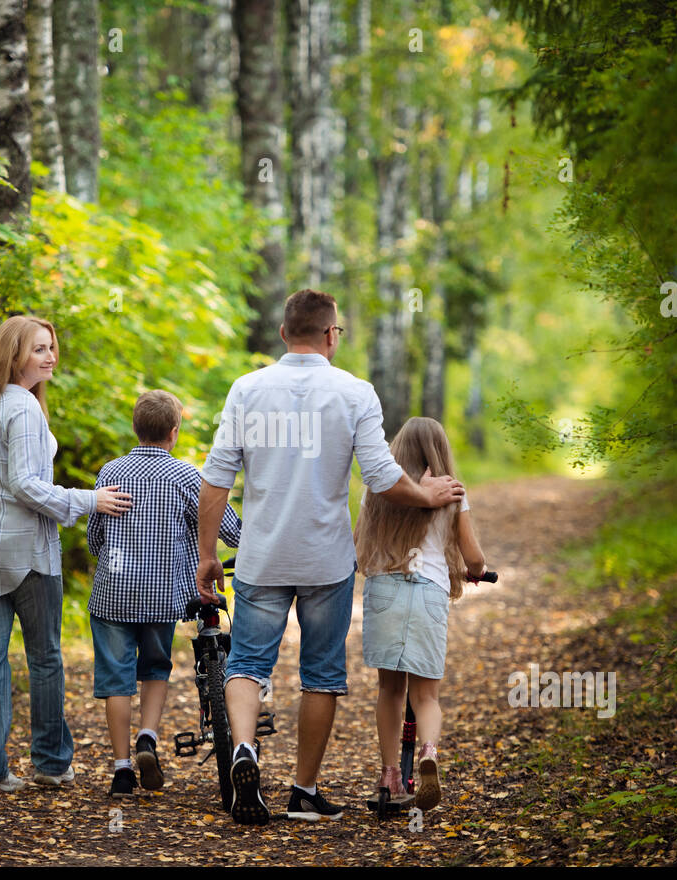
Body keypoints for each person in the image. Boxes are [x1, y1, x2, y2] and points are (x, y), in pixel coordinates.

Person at [197, 289, 465, 824]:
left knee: (248, 664)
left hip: (261, 558)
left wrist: (207, 554)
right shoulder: (354, 392)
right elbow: (383, 479)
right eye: (337, 332)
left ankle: (246, 749)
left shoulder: (246, 390)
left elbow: (216, 480)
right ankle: (304, 791)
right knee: (320, 674)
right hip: (325, 560)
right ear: (329, 334)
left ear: (282, 333)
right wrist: (428, 495)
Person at [0, 314, 133, 793]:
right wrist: (90, 500)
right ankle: (50, 762)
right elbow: (25, 484)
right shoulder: (23, 407)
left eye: (51, 347)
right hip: (25, 553)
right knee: (45, 657)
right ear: (15, 355)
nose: (51, 356)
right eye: (39, 349)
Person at [87, 390, 242, 798]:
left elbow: (95, 537)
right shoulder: (188, 477)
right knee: (155, 668)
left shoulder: (111, 472)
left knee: (116, 679)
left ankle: (122, 770)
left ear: (135, 429)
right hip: (160, 599)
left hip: (111, 596)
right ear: (174, 433)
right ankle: (148, 738)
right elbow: (229, 529)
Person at [354, 417, 487, 811]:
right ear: (440, 450)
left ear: (397, 449)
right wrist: (476, 572)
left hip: (385, 589)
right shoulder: (454, 492)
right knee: (426, 695)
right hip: (428, 590)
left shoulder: (379, 489)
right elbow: (474, 557)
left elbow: (359, 543)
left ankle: (390, 775)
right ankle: (428, 753)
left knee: (390, 690)